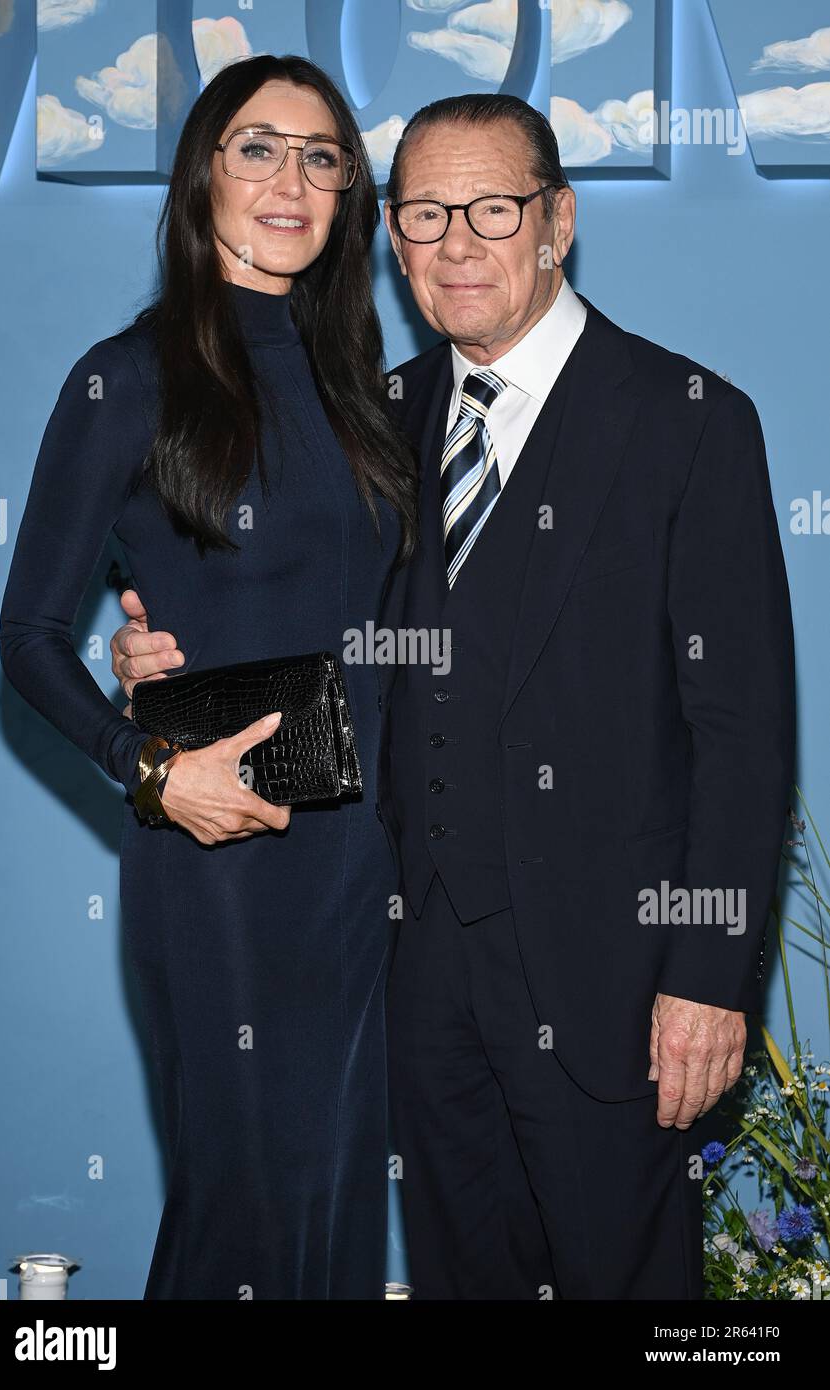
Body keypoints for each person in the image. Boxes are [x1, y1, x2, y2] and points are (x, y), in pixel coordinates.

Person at [108, 93, 796, 1299]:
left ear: (558, 222)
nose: (458, 244)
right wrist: (159, 663)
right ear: (390, 240)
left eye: (492, 208)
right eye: (423, 215)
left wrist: (706, 978)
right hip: (411, 991)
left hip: (620, 994)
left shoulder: (687, 422)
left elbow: (744, 733)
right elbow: (294, 632)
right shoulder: (369, 419)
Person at [0, 54, 417, 1300]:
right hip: (220, 854)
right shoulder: (124, 378)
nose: (291, 178)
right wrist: (151, 770)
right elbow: (26, 637)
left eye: (321, 155)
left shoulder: (362, 395)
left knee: (334, 1209)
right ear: (200, 177)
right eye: (257, 147)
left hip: (360, 858)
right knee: (245, 1209)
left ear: (346, 194)